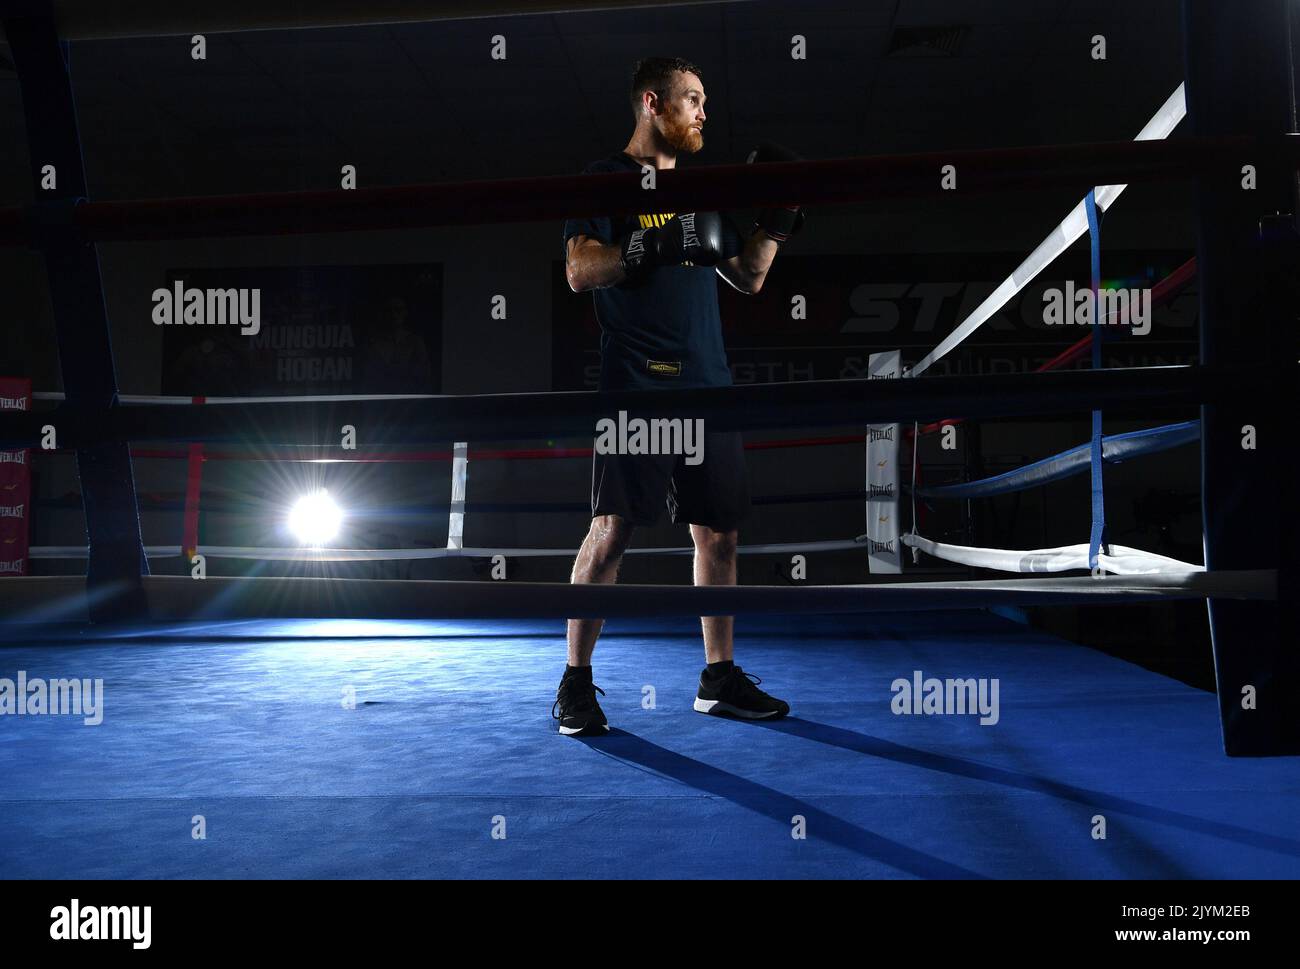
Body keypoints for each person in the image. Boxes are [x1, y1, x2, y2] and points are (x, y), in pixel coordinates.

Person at [555, 56, 804, 735]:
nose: (703, 112)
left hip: (709, 385)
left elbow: (748, 276)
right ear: (651, 103)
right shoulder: (605, 181)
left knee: (718, 531)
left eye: (704, 100)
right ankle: (576, 683)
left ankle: (718, 677)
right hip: (637, 383)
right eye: (691, 99)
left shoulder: (706, 192)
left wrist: (778, 219)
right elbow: (581, 270)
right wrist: (656, 243)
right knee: (611, 529)